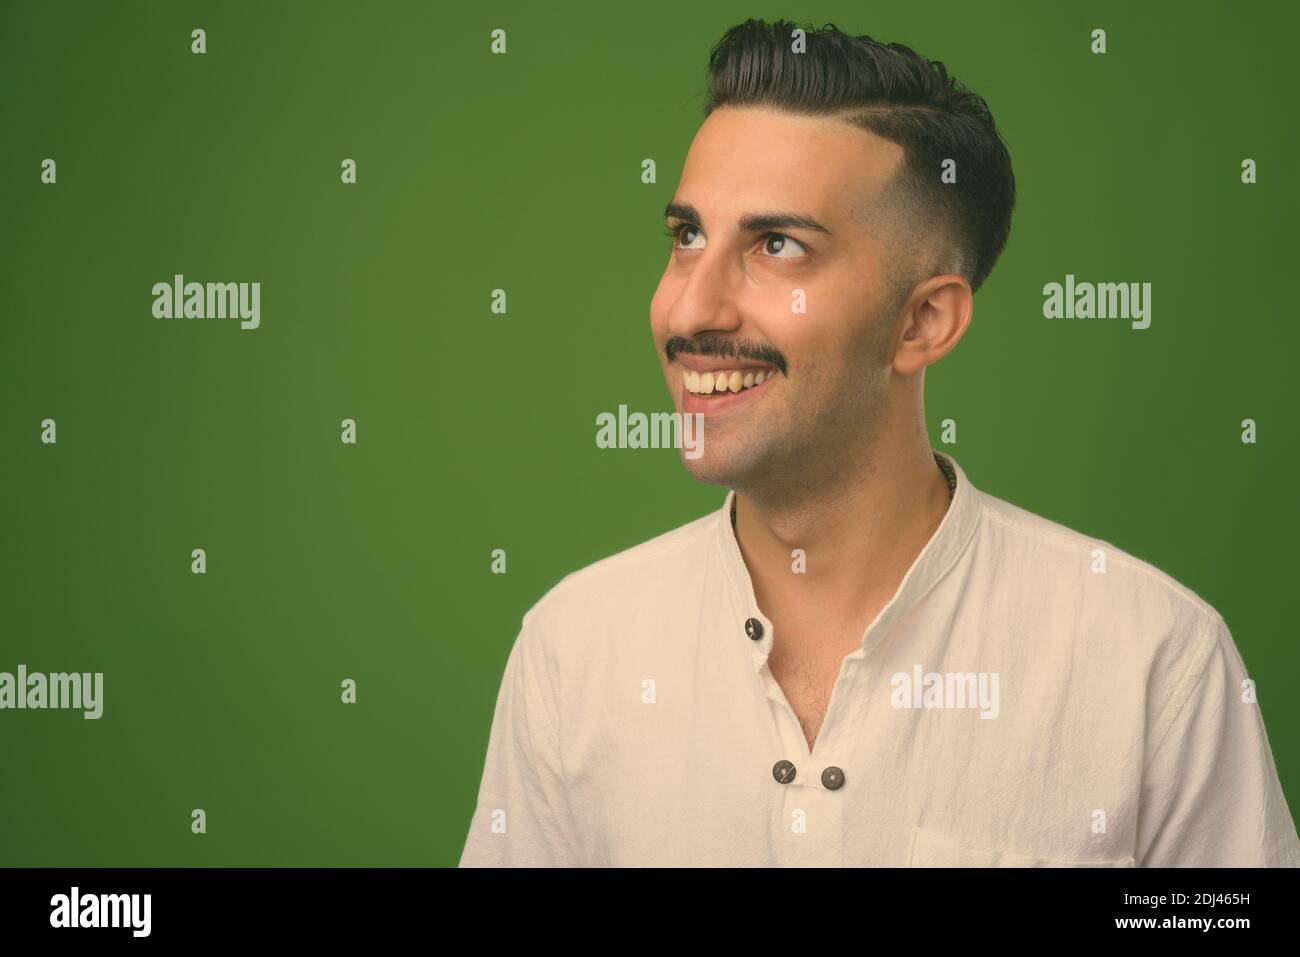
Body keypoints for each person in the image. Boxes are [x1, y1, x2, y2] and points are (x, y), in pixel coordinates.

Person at [459, 18, 1300, 867]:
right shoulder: (573, 651)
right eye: (687, 238)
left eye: (777, 245)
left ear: (923, 320)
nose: (688, 311)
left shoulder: (1153, 662)